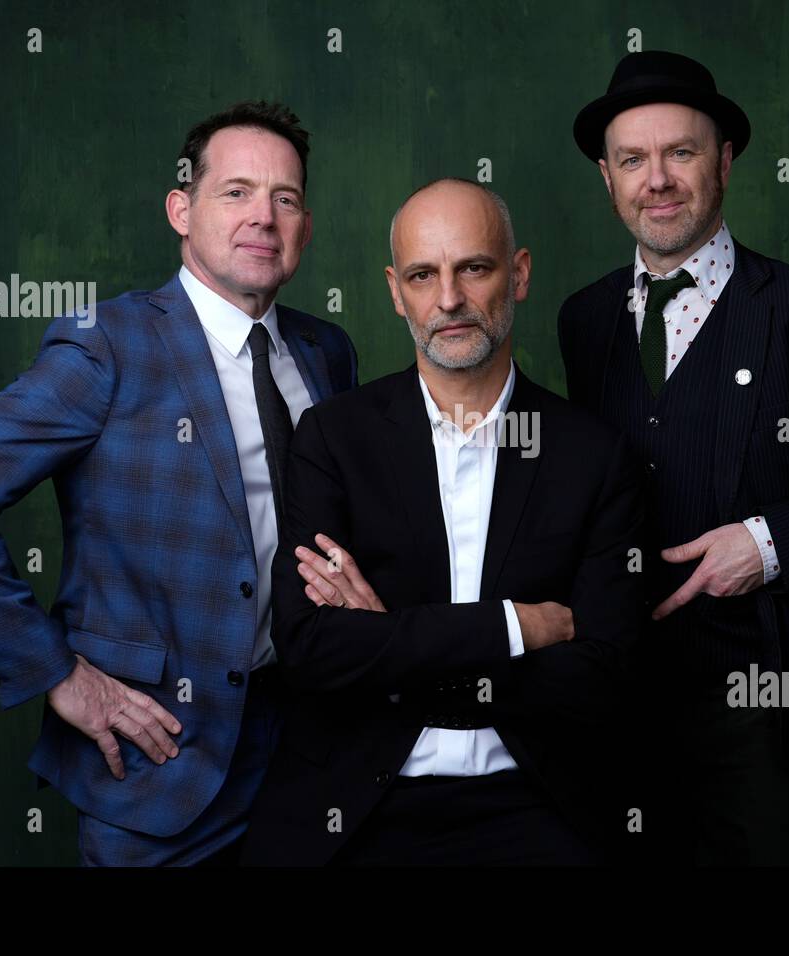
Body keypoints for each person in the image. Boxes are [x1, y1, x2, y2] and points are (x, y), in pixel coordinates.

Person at [0, 100, 358, 865]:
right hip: (159, 763)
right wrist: (56, 672)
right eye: (235, 191)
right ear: (182, 209)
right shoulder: (107, 347)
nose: (262, 217)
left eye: (286, 197)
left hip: (306, 752)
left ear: (305, 225)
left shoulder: (325, 350)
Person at [560, 51, 789, 864]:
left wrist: (764, 545)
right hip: (622, 698)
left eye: (680, 153)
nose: (657, 179)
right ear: (607, 179)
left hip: (769, 701)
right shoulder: (582, 320)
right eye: (632, 160)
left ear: (723, 163)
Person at [239, 178, 645, 866]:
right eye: (424, 276)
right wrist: (515, 626)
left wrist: (389, 646)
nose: (449, 300)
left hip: (539, 803)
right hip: (362, 804)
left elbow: (608, 671)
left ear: (517, 275)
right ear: (397, 292)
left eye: (474, 268)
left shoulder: (593, 453)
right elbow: (310, 648)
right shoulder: (333, 439)